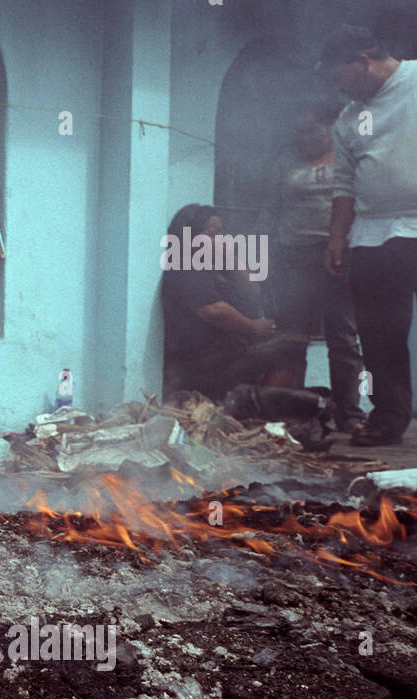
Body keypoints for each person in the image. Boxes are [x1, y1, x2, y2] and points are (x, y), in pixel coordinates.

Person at [320, 25, 417, 446]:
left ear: (364, 62)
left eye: (341, 78)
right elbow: (345, 185)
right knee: (379, 334)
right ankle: (388, 416)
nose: (340, 89)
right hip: (374, 234)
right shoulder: (349, 117)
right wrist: (336, 239)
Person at [261, 98, 367, 433]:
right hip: (293, 254)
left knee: (343, 336)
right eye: (301, 132)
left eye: (313, 130)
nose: (306, 137)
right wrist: (264, 250)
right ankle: (295, 412)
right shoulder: (285, 161)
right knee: (293, 337)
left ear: (330, 128)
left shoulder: (347, 156)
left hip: (338, 255)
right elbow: (271, 208)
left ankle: (349, 414)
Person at [162, 204, 306, 402]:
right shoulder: (185, 268)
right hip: (202, 366)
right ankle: (263, 416)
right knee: (285, 354)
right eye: (214, 234)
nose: (222, 239)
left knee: (292, 342)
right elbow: (214, 311)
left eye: (223, 233)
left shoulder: (218, 268)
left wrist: (233, 261)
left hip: (228, 356)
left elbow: (254, 289)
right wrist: (252, 327)